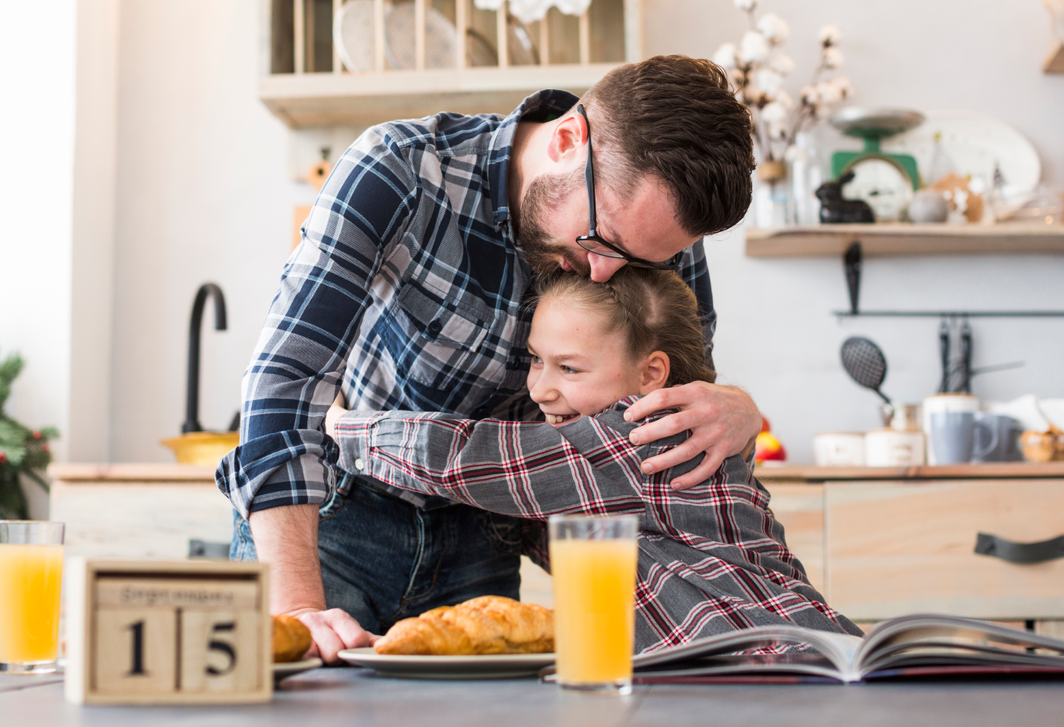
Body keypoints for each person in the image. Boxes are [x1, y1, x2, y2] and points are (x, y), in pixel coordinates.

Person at [216, 55, 763, 661]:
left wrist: (738, 413)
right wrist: (296, 604)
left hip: (488, 533)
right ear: (567, 140)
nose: (608, 272)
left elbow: (664, 432)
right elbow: (286, 380)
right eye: (600, 242)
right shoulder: (401, 168)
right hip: (335, 519)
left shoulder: (646, 237)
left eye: (636, 260)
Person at [327, 268, 861, 651]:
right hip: (785, 649)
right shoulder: (675, 435)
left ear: (651, 374)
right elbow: (555, 524)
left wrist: (343, 428)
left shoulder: (635, 435)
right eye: (536, 360)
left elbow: (472, 458)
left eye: (570, 370)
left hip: (768, 661)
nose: (539, 389)